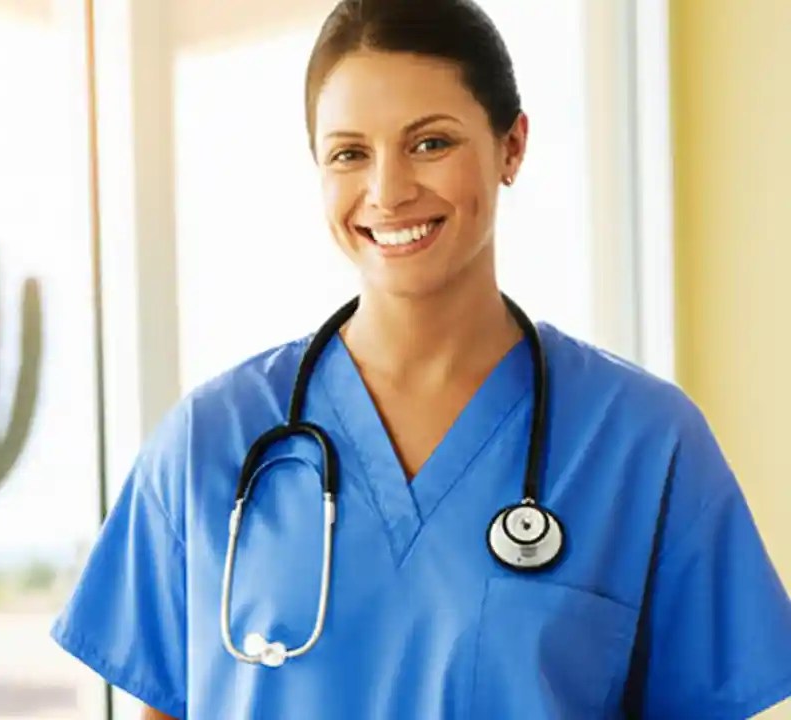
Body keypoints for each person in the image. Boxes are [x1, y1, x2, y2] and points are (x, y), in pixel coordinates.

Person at [50, 0, 791, 716]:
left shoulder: (642, 442)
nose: (388, 190)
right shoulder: (210, 441)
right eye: (349, 153)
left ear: (512, 146)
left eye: (430, 142)